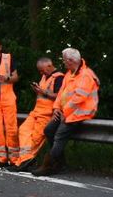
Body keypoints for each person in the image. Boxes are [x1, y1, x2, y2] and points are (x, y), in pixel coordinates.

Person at [33, 47, 100, 176]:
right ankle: (59, 163)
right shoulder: (69, 73)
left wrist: (65, 112)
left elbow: (78, 98)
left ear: (70, 61)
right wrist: (56, 108)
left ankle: (49, 166)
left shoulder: (86, 75)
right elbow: (61, 94)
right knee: (49, 130)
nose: (63, 63)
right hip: (67, 112)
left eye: (64, 60)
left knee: (59, 135)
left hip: (80, 113)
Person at [12, 57, 64, 171]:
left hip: (47, 114)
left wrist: (43, 92)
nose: (41, 73)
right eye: (39, 71)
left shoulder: (59, 77)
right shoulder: (45, 76)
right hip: (36, 111)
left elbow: (59, 96)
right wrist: (38, 91)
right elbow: (44, 94)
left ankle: (25, 160)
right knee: (23, 130)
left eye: (42, 70)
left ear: (49, 66)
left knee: (36, 137)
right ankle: (25, 159)